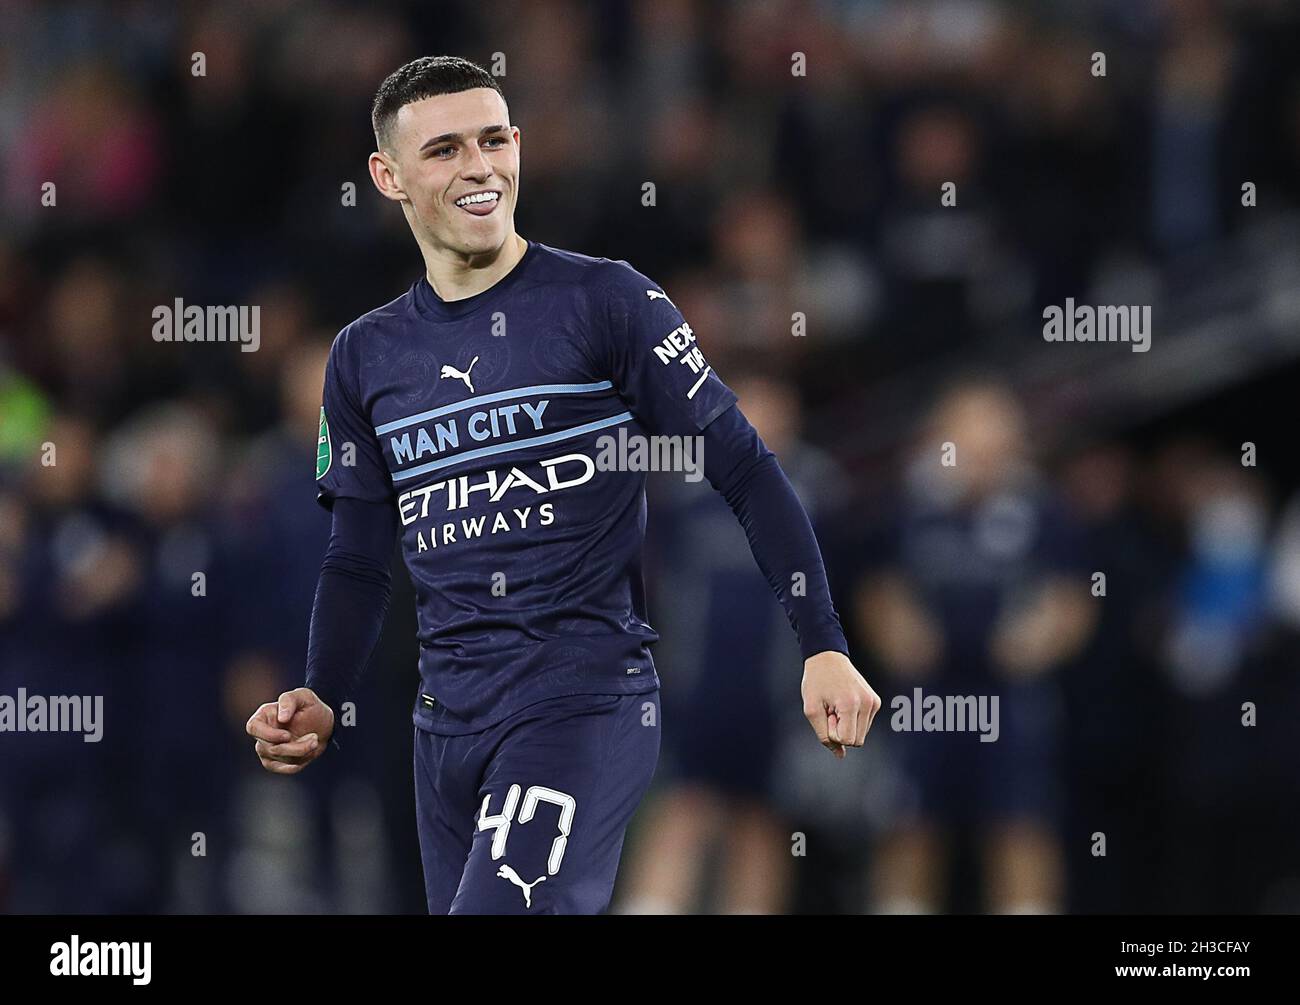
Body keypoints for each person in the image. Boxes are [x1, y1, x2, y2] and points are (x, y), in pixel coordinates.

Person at [244, 55, 878, 915]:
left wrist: (824, 642)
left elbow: (745, 466)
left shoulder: (607, 301)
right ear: (386, 176)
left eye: (494, 139)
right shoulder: (363, 355)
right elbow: (358, 556)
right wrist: (322, 689)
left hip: (583, 701)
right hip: (445, 725)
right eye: (443, 150)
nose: (479, 166)